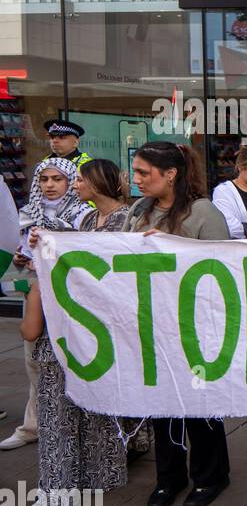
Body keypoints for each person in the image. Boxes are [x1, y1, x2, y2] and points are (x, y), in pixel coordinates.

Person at [127, 141, 232, 506]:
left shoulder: (203, 213)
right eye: (136, 171)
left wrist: (171, 249)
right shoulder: (139, 211)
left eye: (144, 172)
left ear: (170, 175)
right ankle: (168, 479)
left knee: (200, 404)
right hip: (152, 325)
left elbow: (224, 268)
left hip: (195, 328)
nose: (136, 179)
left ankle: (210, 475)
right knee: (161, 403)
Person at [19, 274, 132, 506]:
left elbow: (30, 331)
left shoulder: (42, 283)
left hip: (56, 360)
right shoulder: (97, 279)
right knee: (97, 417)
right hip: (95, 354)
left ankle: (59, 488)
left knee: (57, 426)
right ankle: (100, 474)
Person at [1, 157, 89, 452]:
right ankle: (32, 426)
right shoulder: (29, 213)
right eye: (44, 180)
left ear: (69, 182)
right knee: (34, 363)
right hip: (37, 296)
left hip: (71, 302)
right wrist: (20, 260)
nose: (49, 185)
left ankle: (78, 429)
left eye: (57, 179)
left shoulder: (83, 214)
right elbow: (21, 257)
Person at [72, 159, 153, 465]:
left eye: (81, 180)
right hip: (95, 313)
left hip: (121, 310)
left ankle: (134, 438)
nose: (76, 185)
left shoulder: (127, 218)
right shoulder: (88, 217)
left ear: (96, 183)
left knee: (127, 373)